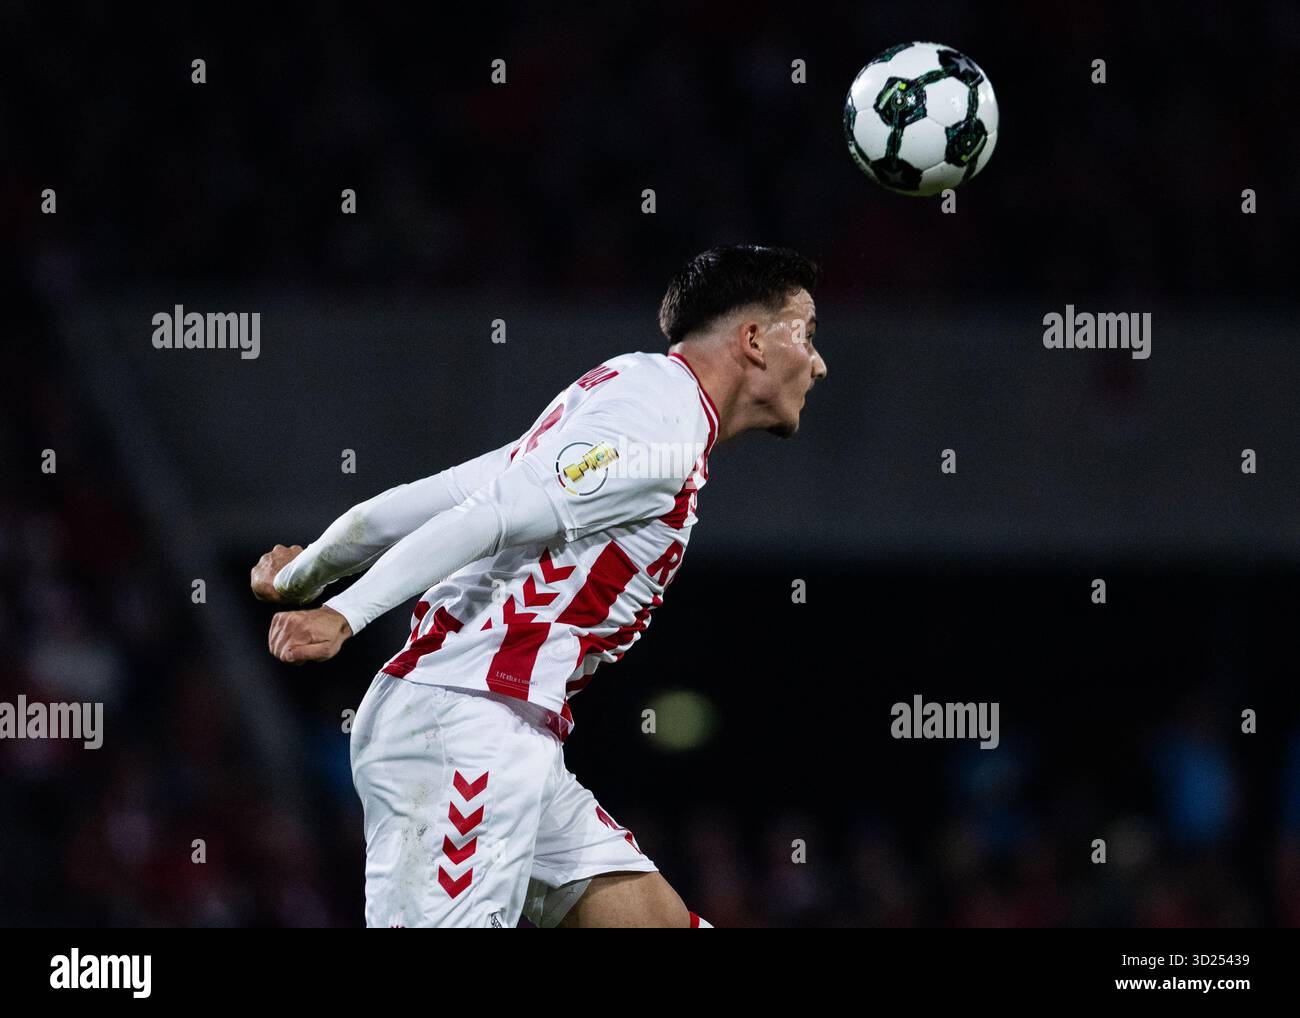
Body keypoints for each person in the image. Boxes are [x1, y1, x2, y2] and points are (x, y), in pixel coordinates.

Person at [249, 245, 827, 927]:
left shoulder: (627, 389)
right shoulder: (660, 428)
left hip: (506, 731)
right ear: (755, 340)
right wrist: (344, 612)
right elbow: (490, 514)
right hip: (464, 725)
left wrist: (308, 569)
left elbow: (447, 492)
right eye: (808, 333)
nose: (818, 362)